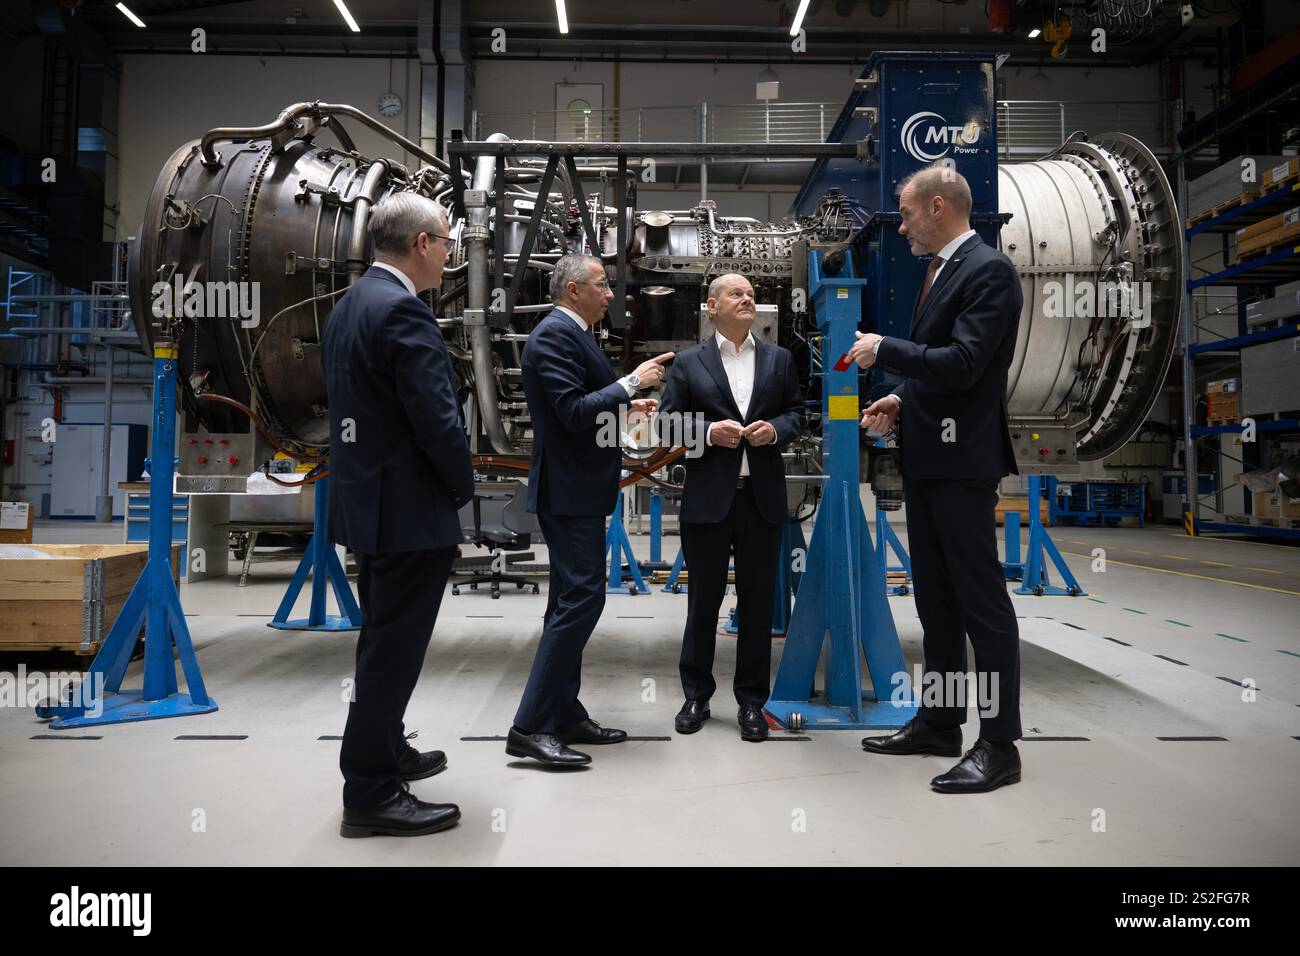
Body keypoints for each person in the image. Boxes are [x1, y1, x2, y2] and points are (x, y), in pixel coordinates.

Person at [848, 163, 1024, 794]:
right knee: (937, 603)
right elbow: (940, 372)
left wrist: (885, 349)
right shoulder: (942, 270)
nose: (901, 226)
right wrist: (901, 399)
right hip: (929, 460)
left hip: (963, 465)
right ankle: (942, 720)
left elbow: (969, 363)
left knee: (982, 605)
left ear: (940, 206)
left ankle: (1000, 745)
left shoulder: (988, 271)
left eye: (907, 213)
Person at [323, 192, 473, 836]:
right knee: (393, 651)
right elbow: (438, 423)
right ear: (420, 244)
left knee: (381, 641)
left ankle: (386, 752)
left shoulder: (349, 306)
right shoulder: (406, 314)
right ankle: (371, 792)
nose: (448, 253)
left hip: (367, 507)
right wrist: (462, 487)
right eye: (444, 241)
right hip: (408, 514)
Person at [507, 253, 672, 767]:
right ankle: (530, 725)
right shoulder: (555, 335)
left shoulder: (573, 333)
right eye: (602, 285)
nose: (610, 295)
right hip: (568, 493)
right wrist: (631, 384)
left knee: (568, 601)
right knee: (581, 602)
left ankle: (564, 712)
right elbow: (572, 413)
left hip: (578, 491)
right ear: (573, 289)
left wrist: (626, 407)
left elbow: (583, 402)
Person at [658, 274, 803, 741]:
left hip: (761, 499)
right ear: (711, 306)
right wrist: (705, 434)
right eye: (736, 294)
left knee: (759, 605)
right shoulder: (688, 362)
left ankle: (751, 703)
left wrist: (775, 431)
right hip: (708, 500)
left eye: (751, 295)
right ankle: (696, 696)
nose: (747, 299)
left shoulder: (778, 359)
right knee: (704, 602)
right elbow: (665, 424)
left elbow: (798, 414)